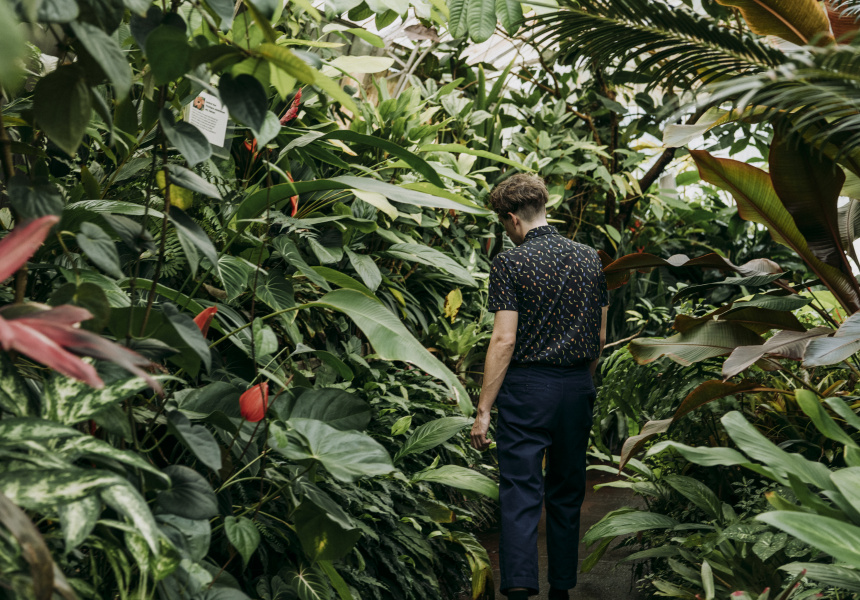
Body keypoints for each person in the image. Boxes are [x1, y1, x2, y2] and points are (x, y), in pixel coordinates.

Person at [470, 174, 609, 599]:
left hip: (528, 388)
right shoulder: (590, 258)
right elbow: (600, 337)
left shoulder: (510, 263)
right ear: (544, 207)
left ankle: (518, 588)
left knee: (521, 491)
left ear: (511, 219)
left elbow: (504, 339)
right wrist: (578, 380)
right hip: (576, 386)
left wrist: (483, 409)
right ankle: (562, 589)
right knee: (567, 491)